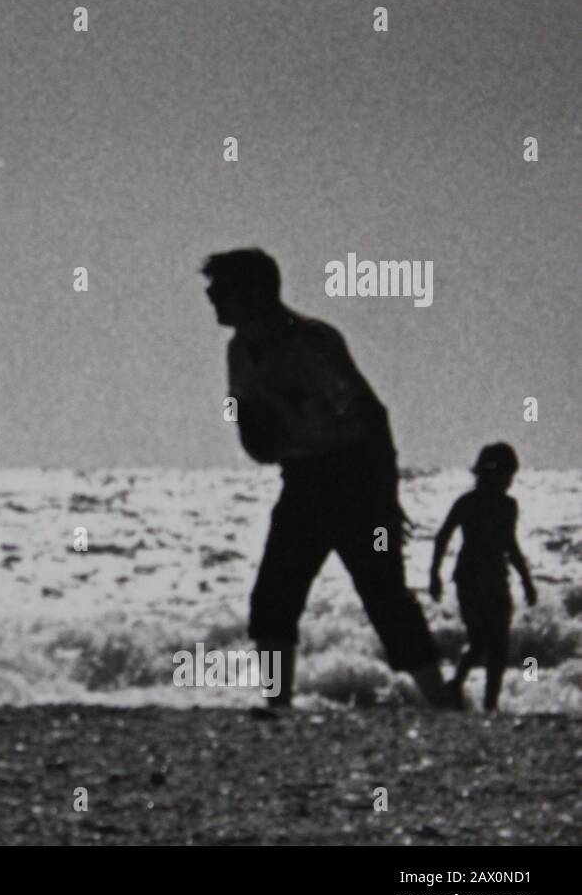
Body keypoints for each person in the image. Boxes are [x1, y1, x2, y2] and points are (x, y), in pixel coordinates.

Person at [201, 248, 454, 712]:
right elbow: (250, 428)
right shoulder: (240, 351)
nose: (211, 298)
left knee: (385, 595)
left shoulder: (311, 342)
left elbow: (372, 417)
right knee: (274, 594)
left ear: (255, 291)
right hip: (302, 479)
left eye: (221, 289)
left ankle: (441, 700)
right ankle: (277, 704)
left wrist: (384, 496)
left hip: (354, 475)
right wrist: (257, 432)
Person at [429, 443, 536, 711]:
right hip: (471, 578)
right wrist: (434, 575)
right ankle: (456, 686)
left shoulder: (507, 505)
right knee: (480, 641)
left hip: (496, 579)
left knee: (497, 644)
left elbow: (510, 545)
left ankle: (489, 704)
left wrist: (526, 580)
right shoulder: (468, 502)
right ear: (492, 472)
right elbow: (443, 536)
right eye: (507, 473)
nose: (510, 480)